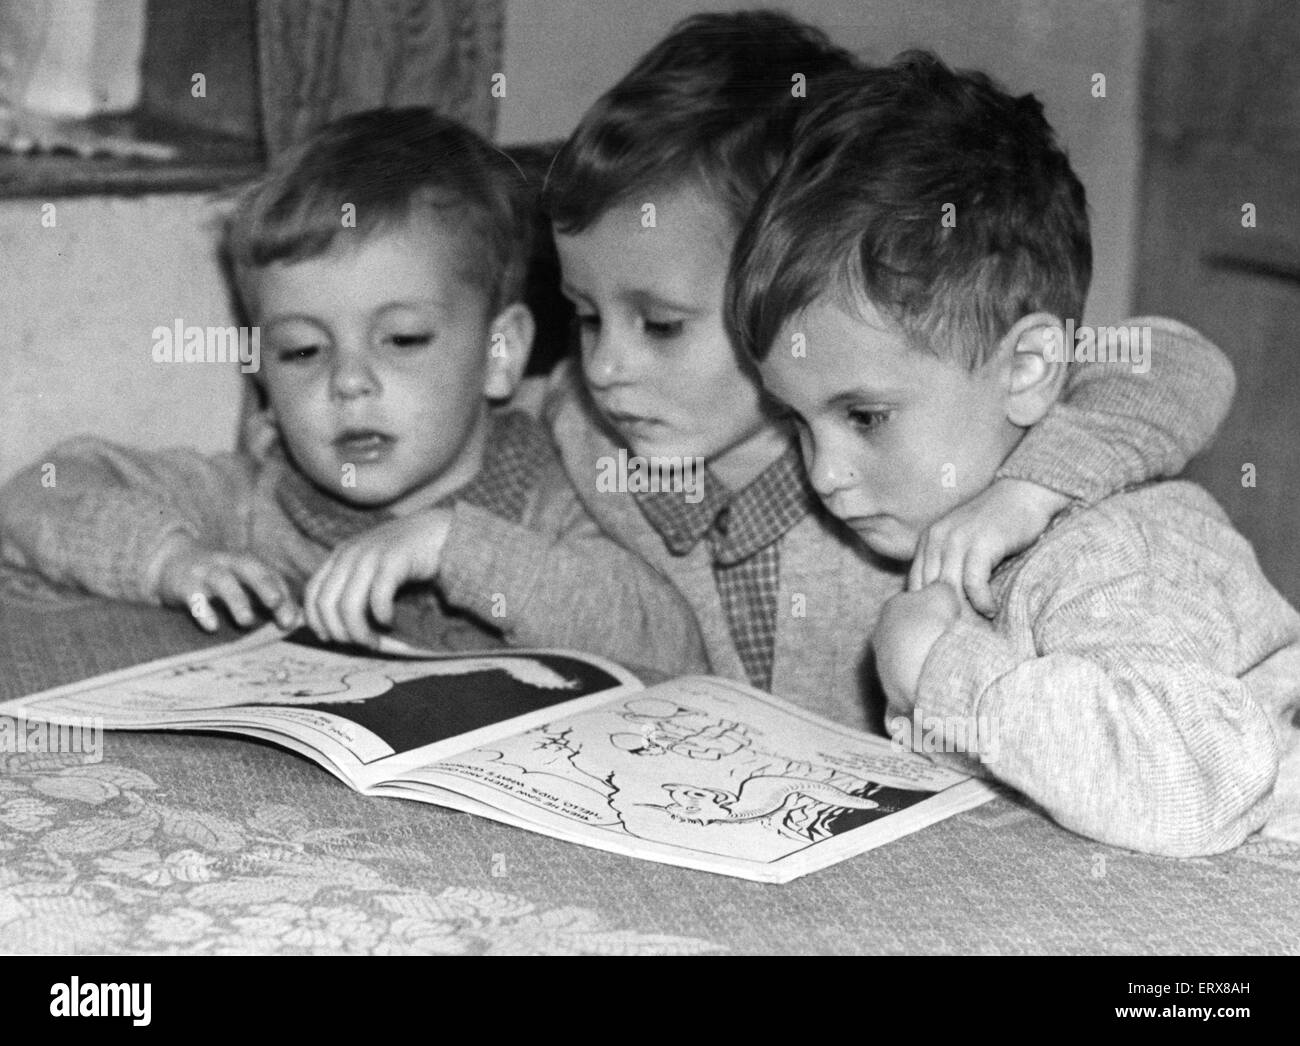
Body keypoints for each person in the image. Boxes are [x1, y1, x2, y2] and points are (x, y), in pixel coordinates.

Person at [727, 52, 1300, 855]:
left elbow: (1194, 788)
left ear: (1027, 370)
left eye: (864, 415)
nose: (824, 474)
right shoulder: (941, 517)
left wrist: (943, 670)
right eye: (798, 423)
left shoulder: (1113, 553)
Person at [0, 107, 707, 674]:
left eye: (401, 339)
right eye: (302, 351)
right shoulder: (260, 499)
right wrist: (171, 560)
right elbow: (37, 497)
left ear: (500, 352)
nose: (348, 382)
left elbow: (667, 643)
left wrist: (450, 545)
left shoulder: (560, 487)